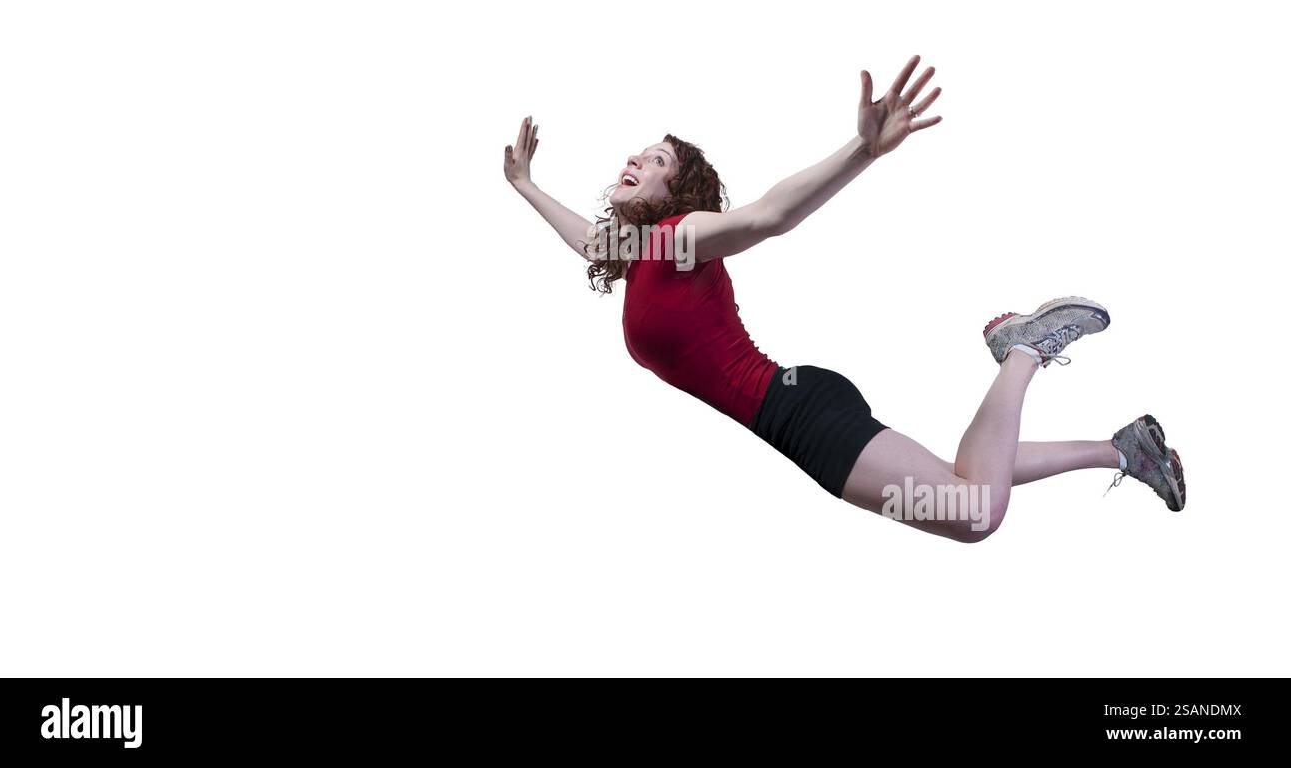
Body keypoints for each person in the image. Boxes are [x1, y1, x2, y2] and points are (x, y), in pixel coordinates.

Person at [502, 55, 1186, 542]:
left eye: (657, 161)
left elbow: (768, 216)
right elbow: (591, 245)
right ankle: (1122, 450)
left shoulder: (682, 237)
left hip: (800, 415)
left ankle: (1022, 351)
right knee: (967, 480)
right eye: (641, 152)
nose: (637, 159)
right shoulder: (643, 253)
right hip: (802, 404)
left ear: (676, 196)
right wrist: (527, 185)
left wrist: (862, 151)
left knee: (975, 512)